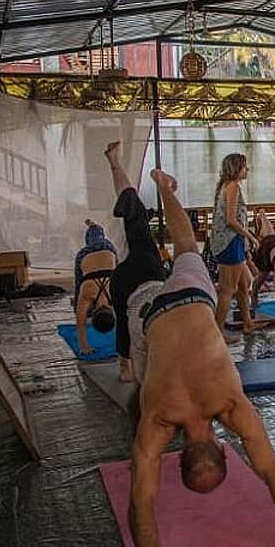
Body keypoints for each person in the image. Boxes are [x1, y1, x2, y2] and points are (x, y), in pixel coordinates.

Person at [125, 165, 275, 547]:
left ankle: (156, 189)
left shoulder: (223, 406)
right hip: (150, 314)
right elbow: (270, 471)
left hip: (176, 303)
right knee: (182, 252)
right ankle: (160, 189)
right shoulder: (166, 418)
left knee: (180, 249)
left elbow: (143, 503)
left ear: (218, 449)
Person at [104, 143, 167, 383]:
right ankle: (128, 367)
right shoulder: (138, 230)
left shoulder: (137, 229)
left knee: (125, 320)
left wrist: (115, 164)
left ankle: (124, 367)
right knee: (133, 324)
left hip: (130, 276)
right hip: (139, 274)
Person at [210, 153, 272, 336]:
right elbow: (231, 220)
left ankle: (247, 324)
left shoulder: (227, 186)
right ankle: (218, 333)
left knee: (245, 283)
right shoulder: (233, 187)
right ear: (236, 168)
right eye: (245, 166)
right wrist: (251, 237)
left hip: (231, 241)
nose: (248, 170)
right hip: (230, 242)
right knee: (227, 289)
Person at [73, 219, 117, 355]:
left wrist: (85, 348)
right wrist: (84, 347)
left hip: (109, 250)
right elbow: (80, 322)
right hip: (86, 256)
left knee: (96, 239)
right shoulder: (88, 293)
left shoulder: (115, 293)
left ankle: (94, 227)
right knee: (96, 240)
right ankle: (94, 227)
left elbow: (80, 322)